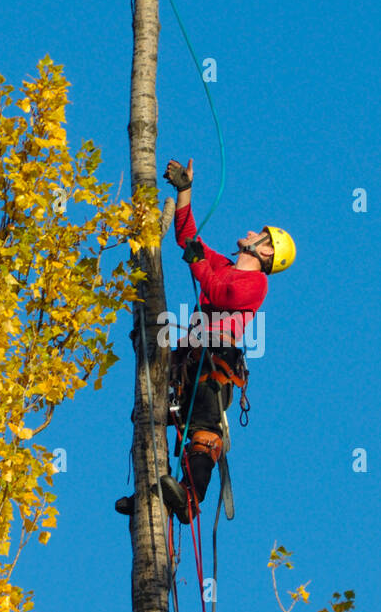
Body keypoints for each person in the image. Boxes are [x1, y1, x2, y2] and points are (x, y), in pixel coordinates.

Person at [116, 157, 295, 523]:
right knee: (151, 413)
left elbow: (219, 293)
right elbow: (187, 239)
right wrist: (185, 191)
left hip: (215, 363)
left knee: (203, 433)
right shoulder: (226, 266)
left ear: (265, 252)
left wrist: (197, 261)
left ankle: (190, 501)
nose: (249, 232)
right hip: (190, 359)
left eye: (258, 234)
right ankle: (152, 495)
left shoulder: (255, 283)